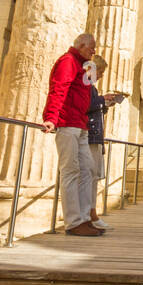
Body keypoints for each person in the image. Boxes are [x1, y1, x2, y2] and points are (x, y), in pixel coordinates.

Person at [43, 33, 102, 237]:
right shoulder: (68, 61)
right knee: (70, 170)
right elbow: (58, 88)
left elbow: (88, 91)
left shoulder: (85, 65)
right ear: (81, 46)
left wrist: (94, 71)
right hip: (67, 123)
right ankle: (73, 222)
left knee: (88, 170)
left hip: (81, 124)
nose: (94, 51)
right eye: (91, 48)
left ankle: (85, 218)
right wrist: (51, 117)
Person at [85, 58, 125, 226]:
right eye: (100, 72)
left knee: (93, 177)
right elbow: (85, 106)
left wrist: (105, 104)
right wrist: (103, 99)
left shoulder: (90, 88)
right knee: (88, 177)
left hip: (95, 135)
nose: (101, 76)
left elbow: (91, 107)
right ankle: (89, 215)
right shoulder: (84, 87)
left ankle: (91, 214)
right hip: (89, 135)